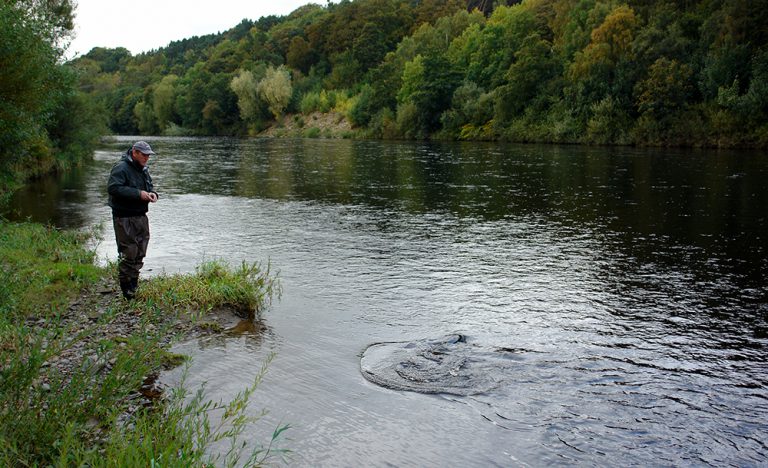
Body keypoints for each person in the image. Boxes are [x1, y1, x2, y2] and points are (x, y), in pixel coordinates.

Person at [107, 140, 159, 299]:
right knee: (128, 253)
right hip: (124, 217)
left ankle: (134, 284)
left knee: (140, 251)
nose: (146, 158)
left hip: (141, 216)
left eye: (148, 155)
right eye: (144, 155)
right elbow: (113, 188)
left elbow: (149, 187)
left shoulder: (143, 169)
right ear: (134, 152)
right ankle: (126, 289)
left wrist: (153, 194)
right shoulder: (121, 168)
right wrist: (138, 194)